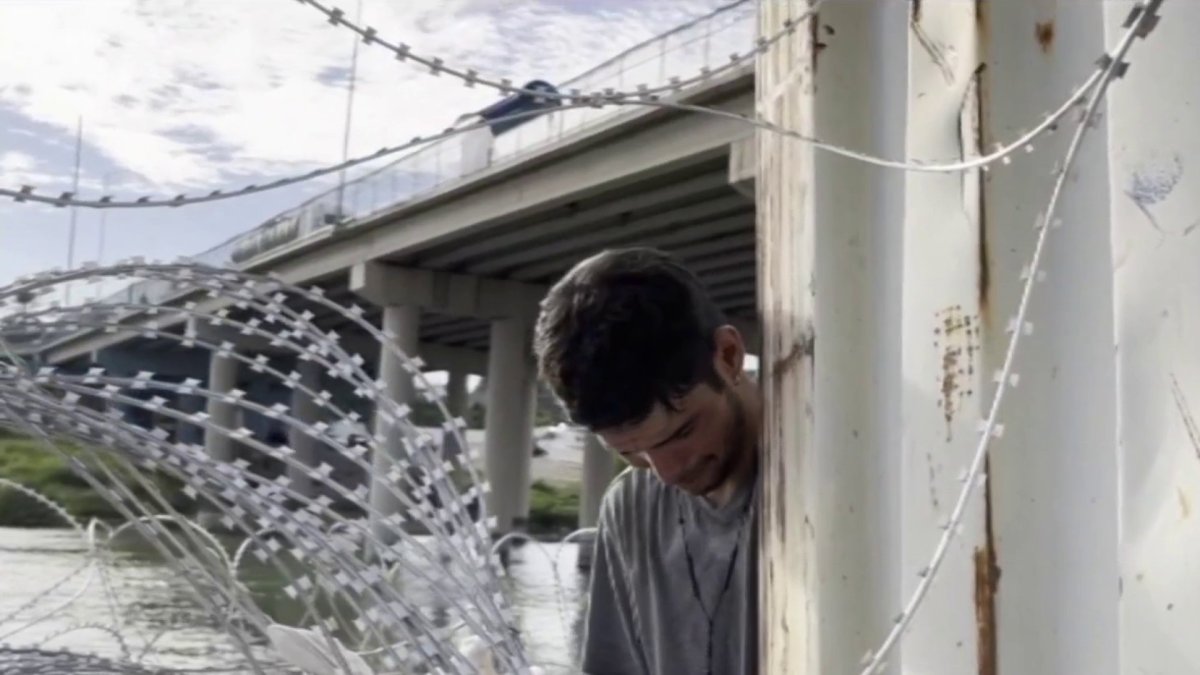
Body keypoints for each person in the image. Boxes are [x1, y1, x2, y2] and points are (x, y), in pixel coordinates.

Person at [533, 247, 762, 675]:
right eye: (629, 453)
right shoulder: (629, 508)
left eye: (683, 432)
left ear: (729, 356)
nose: (667, 472)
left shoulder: (824, 476)